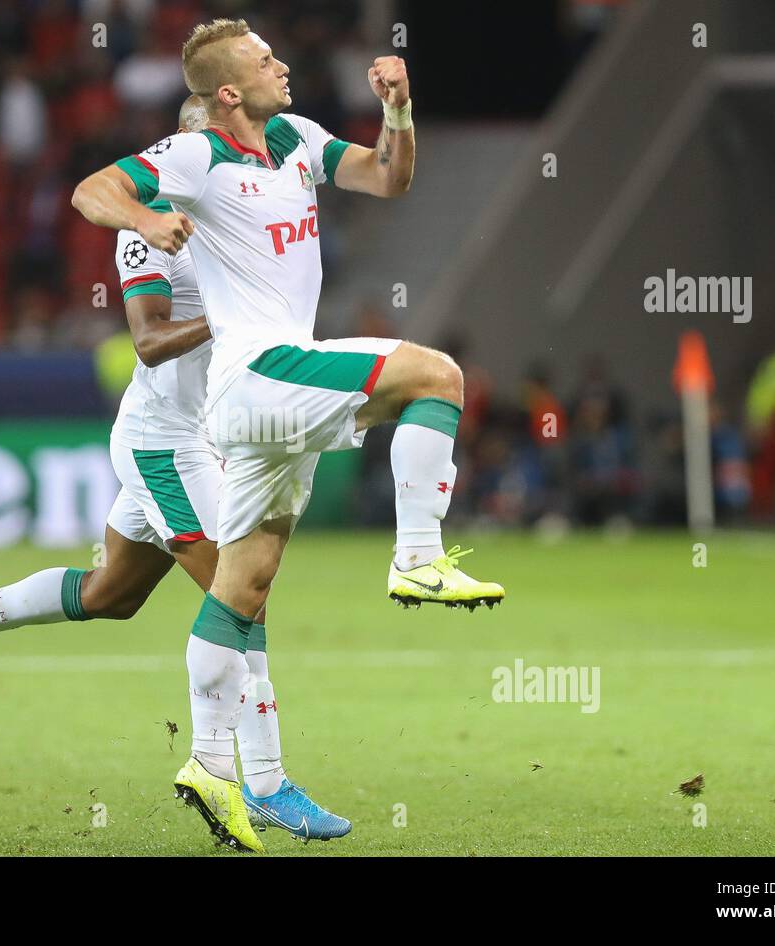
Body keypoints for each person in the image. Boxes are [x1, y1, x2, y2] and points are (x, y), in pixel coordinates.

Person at [71, 18, 505, 850]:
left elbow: (387, 179)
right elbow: (93, 190)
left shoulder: (299, 138)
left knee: (244, 587)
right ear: (227, 92)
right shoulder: (198, 156)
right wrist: (150, 221)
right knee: (436, 374)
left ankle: (210, 765)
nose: (283, 65)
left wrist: (399, 112)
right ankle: (417, 555)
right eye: (265, 61)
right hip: (258, 372)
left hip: (260, 404)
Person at [0, 99, 350, 849]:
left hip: (208, 440)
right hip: (162, 443)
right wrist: (234, 318)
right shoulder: (151, 234)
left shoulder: (252, 226)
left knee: (110, 595)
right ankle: (265, 785)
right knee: (244, 596)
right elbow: (147, 342)